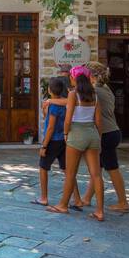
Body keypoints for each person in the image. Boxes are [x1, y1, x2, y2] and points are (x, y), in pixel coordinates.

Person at [48, 65, 105, 221]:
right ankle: (100, 211)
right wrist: (97, 136)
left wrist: (66, 133)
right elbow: (98, 120)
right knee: (96, 174)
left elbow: (68, 119)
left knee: (70, 173)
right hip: (92, 133)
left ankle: (63, 205)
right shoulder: (95, 95)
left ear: (74, 78)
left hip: (77, 133)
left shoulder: (73, 95)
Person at [80, 62, 129, 213]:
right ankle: (87, 198)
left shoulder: (95, 91)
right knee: (97, 168)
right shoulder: (106, 88)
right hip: (112, 132)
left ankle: (123, 202)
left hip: (106, 134)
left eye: (86, 75)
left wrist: (52, 100)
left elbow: (77, 100)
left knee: (112, 168)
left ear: (93, 76)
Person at [35, 76, 79, 207]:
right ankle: (77, 199)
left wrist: (44, 145)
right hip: (64, 141)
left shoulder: (53, 105)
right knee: (67, 171)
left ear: (49, 90)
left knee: (43, 167)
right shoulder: (64, 103)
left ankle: (43, 197)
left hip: (53, 140)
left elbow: (50, 127)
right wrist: (44, 111)